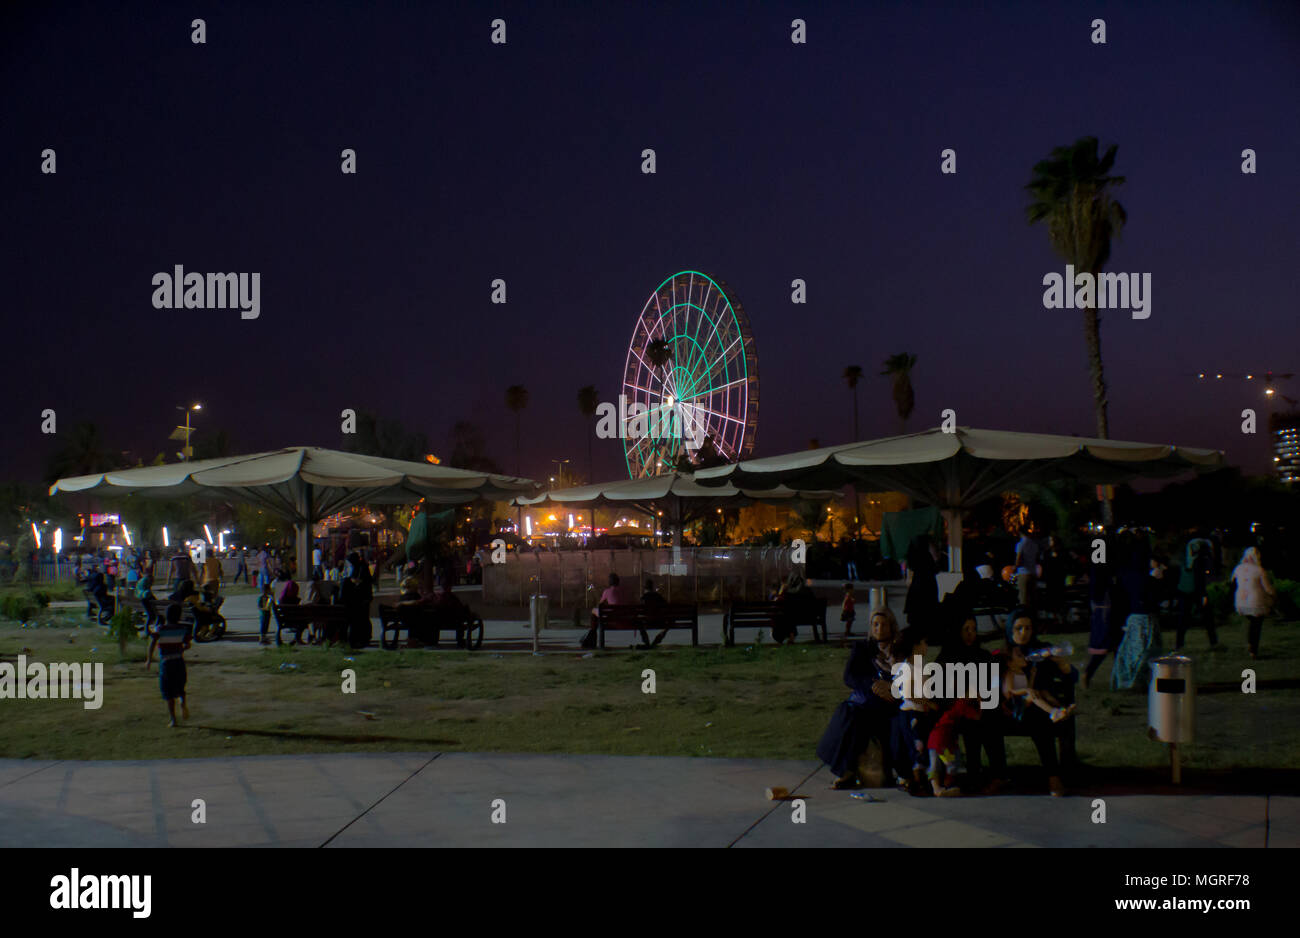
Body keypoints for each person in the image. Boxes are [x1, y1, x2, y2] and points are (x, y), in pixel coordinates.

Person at [816, 608, 903, 789]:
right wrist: (873, 685)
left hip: (892, 703)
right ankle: (846, 771)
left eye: (884, 624)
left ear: (891, 625)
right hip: (869, 701)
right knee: (850, 714)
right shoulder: (863, 648)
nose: (879, 629)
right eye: (875, 624)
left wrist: (891, 688)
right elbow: (849, 676)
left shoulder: (901, 649)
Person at [1001, 609, 1077, 796]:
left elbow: (1071, 676)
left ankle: (1054, 778)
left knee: (1041, 720)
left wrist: (1062, 664)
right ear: (1011, 630)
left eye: (1028, 628)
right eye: (1018, 628)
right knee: (1039, 717)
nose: (1023, 633)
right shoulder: (1005, 655)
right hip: (1012, 711)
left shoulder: (1042, 650)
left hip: (1038, 710)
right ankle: (999, 776)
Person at [146, 602, 192, 727]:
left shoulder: (161, 629)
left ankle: (173, 720)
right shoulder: (183, 629)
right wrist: (181, 650)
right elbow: (188, 645)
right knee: (180, 686)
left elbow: (152, 643)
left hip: (166, 663)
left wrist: (149, 659)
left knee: (168, 691)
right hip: (179, 661)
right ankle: (182, 702)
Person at [1232, 547, 1275, 660]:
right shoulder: (1259, 570)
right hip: (1256, 602)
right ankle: (1253, 649)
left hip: (1241, 601)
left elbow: (1233, 582)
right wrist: (1273, 594)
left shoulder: (1238, 569)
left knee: (1252, 624)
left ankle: (1250, 645)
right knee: (1256, 625)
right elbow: (1268, 588)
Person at [1175, 539, 1217, 651]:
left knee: (1203, 618)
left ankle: (1180, 644)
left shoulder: (1196, 559)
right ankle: (1179, 644)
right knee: (1189, 618)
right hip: (1190, 591)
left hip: (1191, 591)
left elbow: (1200, 577)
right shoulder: (1192, 560)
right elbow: (1194, 576)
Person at [904, 534, 941, 642]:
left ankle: (920, 635)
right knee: (926, 611)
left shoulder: (915, 551)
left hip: (918, 586)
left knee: (919, 613)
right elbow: (936, 562)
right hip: (926, 585)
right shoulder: (926, 556)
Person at [583, 572, 634, 649]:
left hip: (613, 620)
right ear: (618, 582)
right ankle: (592, 632)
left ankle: (592, 633)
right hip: (626, 619)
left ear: (609, 582)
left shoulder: (607, 591)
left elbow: (599, 604)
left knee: (594, 611)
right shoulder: (625, 591)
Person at [640, 577, 669, 647]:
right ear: (652, 587)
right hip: (660, 621)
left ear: (645, 588)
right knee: (670, 622)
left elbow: (640, 611)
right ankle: (660, 636)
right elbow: (667, 607)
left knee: (639, 623)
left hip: (647, 622)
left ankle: (646, 640)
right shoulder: (658, 596)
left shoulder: (643, 598)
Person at [257, 581, 274, 645]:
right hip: (263, 613)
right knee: (263, 625)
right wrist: (263, 608)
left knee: (266, 625)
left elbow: (272, 604)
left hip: (267, 613)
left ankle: (264, 637)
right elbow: (259, 606)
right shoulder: (261, 598)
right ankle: (262, 637)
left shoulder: (269, 598)